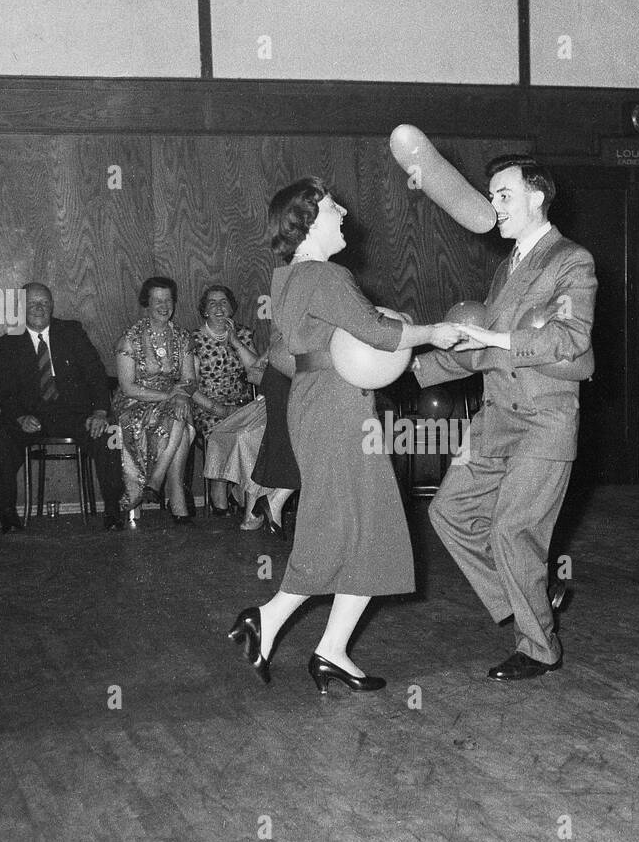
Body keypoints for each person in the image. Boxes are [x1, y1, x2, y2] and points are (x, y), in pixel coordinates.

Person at [228, 177, 463, 692]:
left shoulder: (286, 278)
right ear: (306, 221)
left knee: (367, 525)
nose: (345, 215)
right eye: (335, 208)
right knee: (340, 523)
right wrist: (434, 333)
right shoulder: (327, 275)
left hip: (320, 405)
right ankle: (267, 618)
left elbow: (287, 357)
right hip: (337, 414)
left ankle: (330, 649)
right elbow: (378, 333)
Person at [415, 155, 597, 681]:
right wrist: (409, 363)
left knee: (512, 529)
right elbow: (480, 354)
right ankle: (533, 594)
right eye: (491, 195)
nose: (491, 206)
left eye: (503, 194)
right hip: (496, 421)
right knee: (447, 512)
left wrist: (494, 336)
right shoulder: (506, 266)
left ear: (537, 197)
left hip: (544, 420)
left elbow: (570, 338)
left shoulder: (571, 259)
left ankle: (539, 647)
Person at [0, 283, 125, 531]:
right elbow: (5, 391)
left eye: (44, 302)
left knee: (109, 432)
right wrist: (20, 418)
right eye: (32, 303)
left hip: (74, 413)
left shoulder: (71, 331)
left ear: (52, 306)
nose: (39, 308)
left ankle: (114, 510)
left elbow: (96, 374)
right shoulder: (10, 342)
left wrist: (99, 412)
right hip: (32, 416)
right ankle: (7, 514)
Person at [112, 277, 197, 524]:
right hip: (136, 402)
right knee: (180, 420)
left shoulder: (182, 337)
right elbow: (128, 388)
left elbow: (190, 380)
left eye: (168, 300)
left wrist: (179, 395)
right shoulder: (131, 338)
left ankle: (158, 481)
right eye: (157, 300)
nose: (164, 305)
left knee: (180, 412)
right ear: (146, 304)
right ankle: (174, 496)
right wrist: (171, 395)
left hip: (172, 401)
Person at [192, 284, 266, 517]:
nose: (218, 307)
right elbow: (191, 387)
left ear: (231, 308)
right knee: (226, 432)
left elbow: (258, 374)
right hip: (208, 406)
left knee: (253, 433)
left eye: (223, 302)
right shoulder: (193, 340)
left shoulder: (243, 334)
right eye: (212, 303)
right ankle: (220, 488)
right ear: (204, 310)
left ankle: (242, 490)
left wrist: (235, 342)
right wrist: (220, 409)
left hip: (242, 405)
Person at [241, 323, 299, 535]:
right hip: (293, 376)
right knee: (313, 443)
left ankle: (262, 507)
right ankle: (272, 501)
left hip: (285, 375)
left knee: (284, 444)